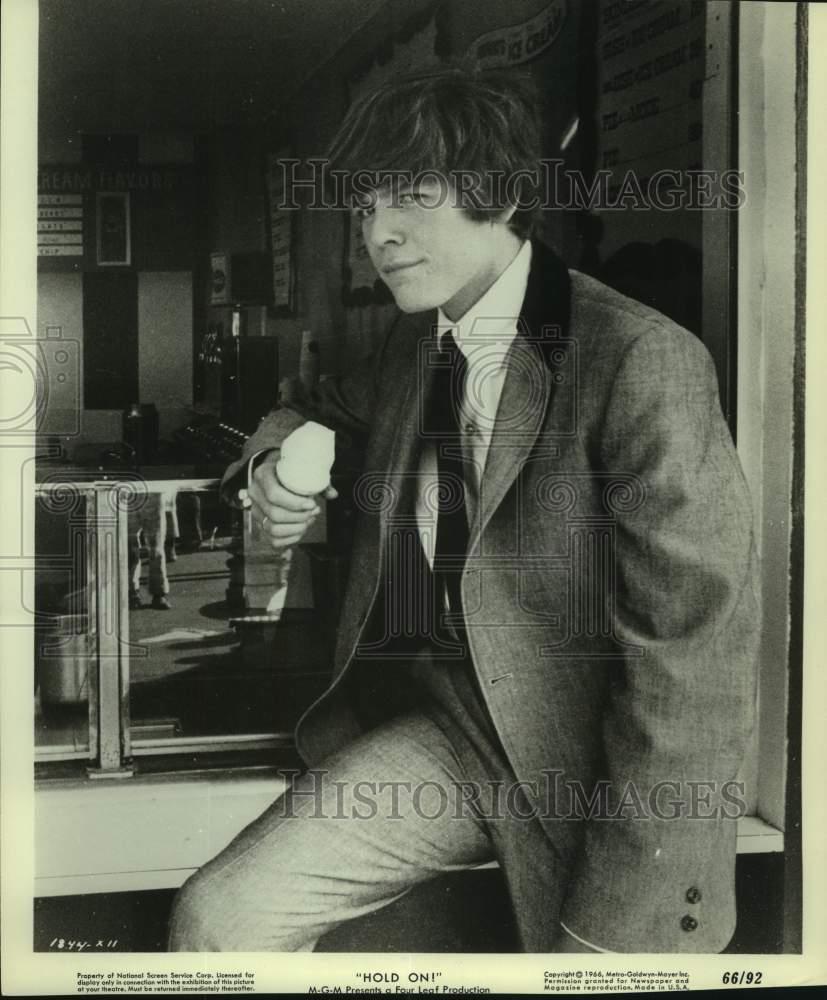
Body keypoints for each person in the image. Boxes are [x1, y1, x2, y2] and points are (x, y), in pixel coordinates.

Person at [168, 65, 759, 953]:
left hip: (594, 761)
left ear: (501, 191)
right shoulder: (415, 344)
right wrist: (280, 468)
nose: (378, 231)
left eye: (410, 194)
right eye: (364, 205)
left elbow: (691, 672)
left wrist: (620, 940)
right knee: (219, 920)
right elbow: (303, 412)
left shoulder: (638, 360)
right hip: (450, 730)